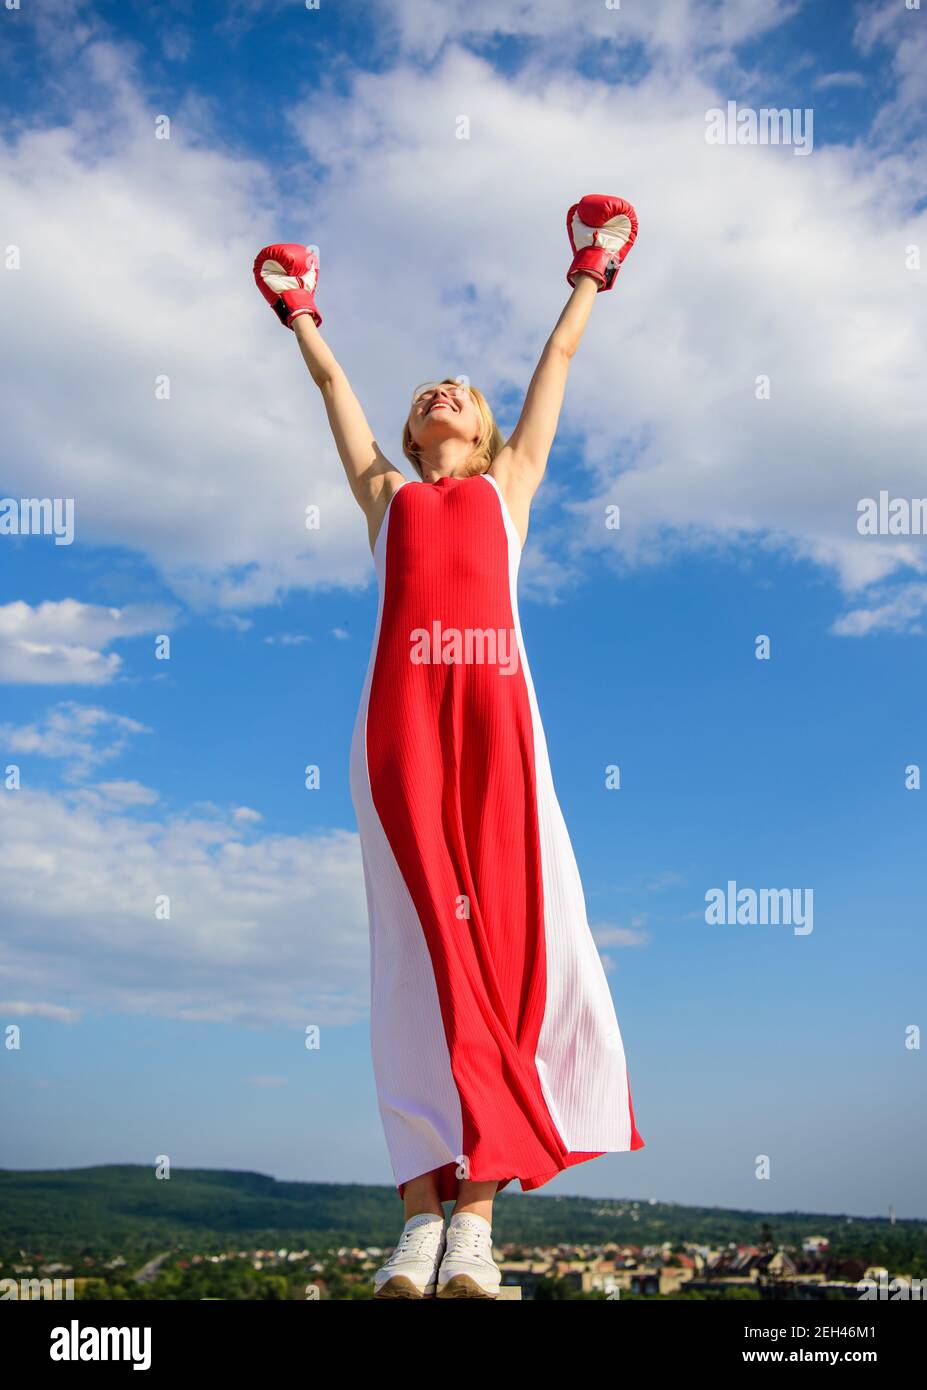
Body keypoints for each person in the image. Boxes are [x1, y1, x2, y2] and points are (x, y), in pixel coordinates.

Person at [253, 195, 644, 1299]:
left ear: (478, 429)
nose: (441, 393)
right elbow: (335, 390)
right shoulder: (386, 498)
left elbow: (558, 356)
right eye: (428, 391)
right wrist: (302, 314)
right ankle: (417, 1220)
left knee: (502, 960)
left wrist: (590, 270)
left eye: (459, 392)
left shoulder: (509, 486)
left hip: (500, 734)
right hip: (399, 740)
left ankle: (475, 1221)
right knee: (412, 962)